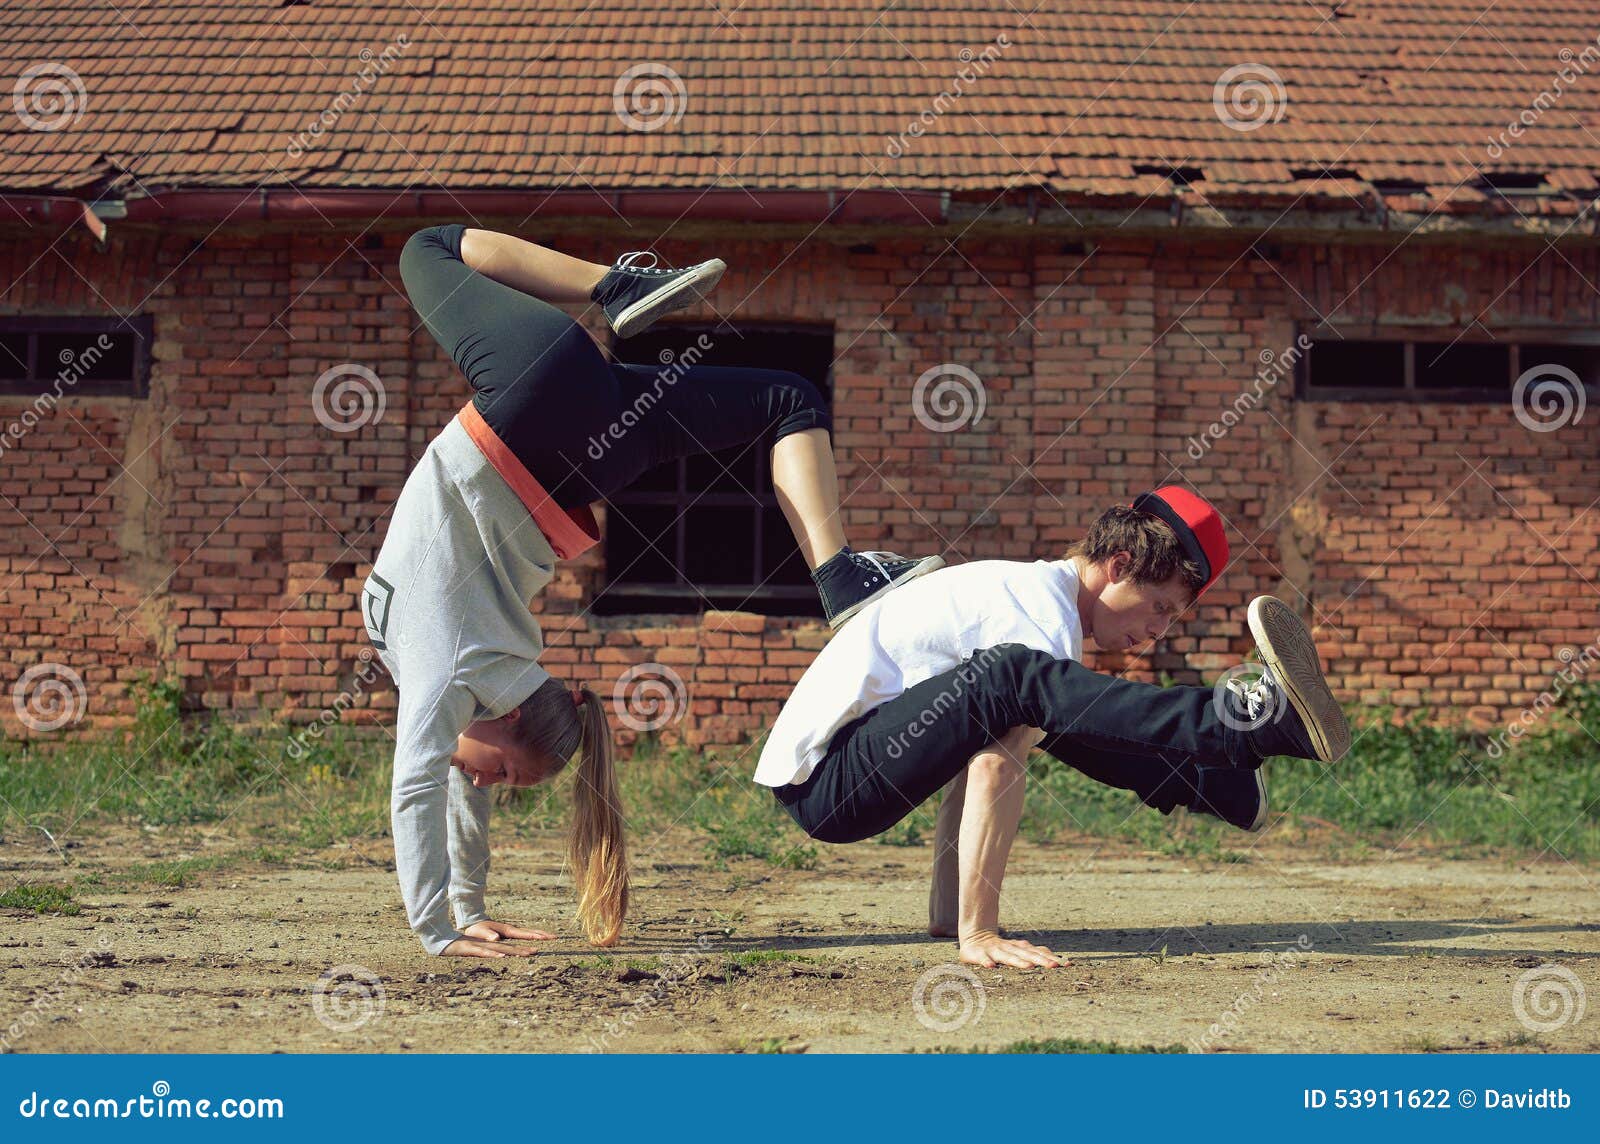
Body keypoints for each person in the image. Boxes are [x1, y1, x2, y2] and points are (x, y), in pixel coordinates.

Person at [364, 224, 942, 957]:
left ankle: (622, 288)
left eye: (501, 778)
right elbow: (439, 783)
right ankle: (837, 572)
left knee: (427, 244)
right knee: (788, 400)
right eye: (504, 777)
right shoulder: (463, 676)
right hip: (555, 415)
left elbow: (428, 784)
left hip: (561, 434)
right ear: (506, 716)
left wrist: (445, 925)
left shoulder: (466, 676)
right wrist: (452, 917)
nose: (484, 786)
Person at [754, 486, 1351, 969]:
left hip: (842, 779)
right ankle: (1244, 727)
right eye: (1160, 607)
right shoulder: (1036, 609)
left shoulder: (1033, 599)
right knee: (1028, 685)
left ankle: (1219, 777)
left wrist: (946, 913)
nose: (1158, 631)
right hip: (830, 779)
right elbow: (993, 769)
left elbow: (966, 752)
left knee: (1044, 700)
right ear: (1118, 567)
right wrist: (978, 932)